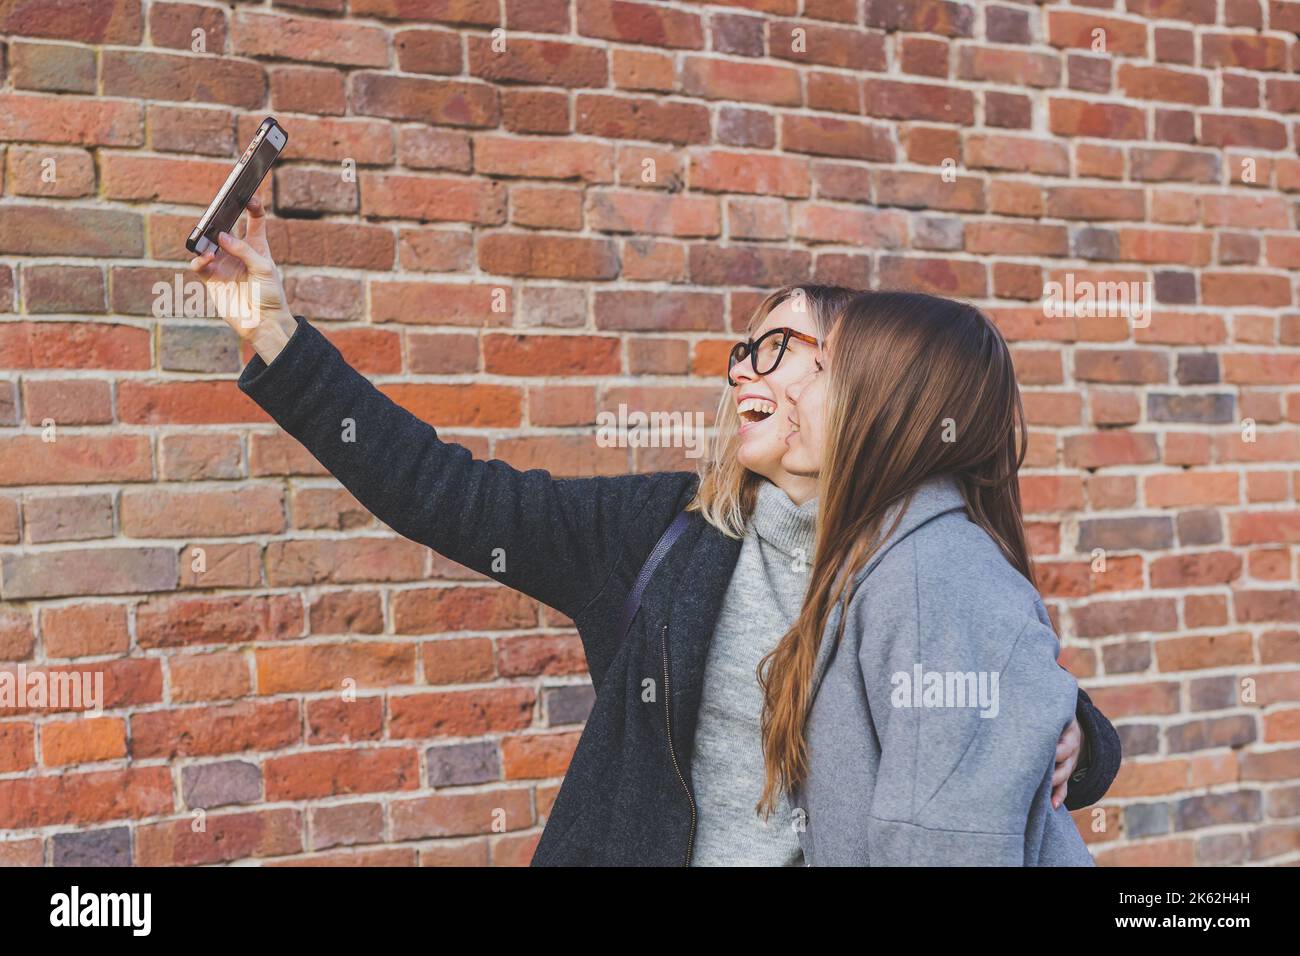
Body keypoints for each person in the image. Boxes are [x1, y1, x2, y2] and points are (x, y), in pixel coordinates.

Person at [189, 200, 1119, 865]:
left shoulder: (916, 567)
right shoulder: (660, 535)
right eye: (745, 350)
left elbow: (984, 705)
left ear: (870, 390)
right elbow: (445, 494)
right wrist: (274, 331)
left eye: (782, 347)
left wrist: (1074, 733)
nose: (746, 369)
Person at [762, 291, 1099, 865]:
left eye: (821, 369)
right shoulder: (884, 559)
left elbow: (945, 848)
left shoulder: (929, 580)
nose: (791, 389)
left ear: (888, 402)